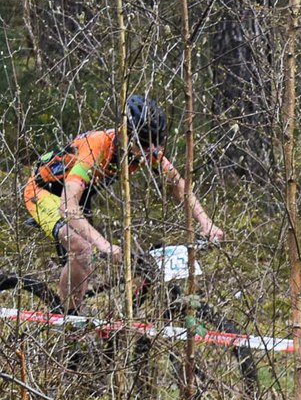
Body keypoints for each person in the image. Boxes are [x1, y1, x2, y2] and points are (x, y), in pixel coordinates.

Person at [22, 96, 225, 311]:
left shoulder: (149, 150)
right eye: (143, 144)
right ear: (124, 133)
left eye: (154, 143)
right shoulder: (97, 146)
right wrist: (104, 246)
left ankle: (75, 306)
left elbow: (177, 184)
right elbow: (67, 206)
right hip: (43, 192)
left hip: (81, 193)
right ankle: (70, 324)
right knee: (82, 249)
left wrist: (206, 222)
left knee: (86, 263)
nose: (149, 152)